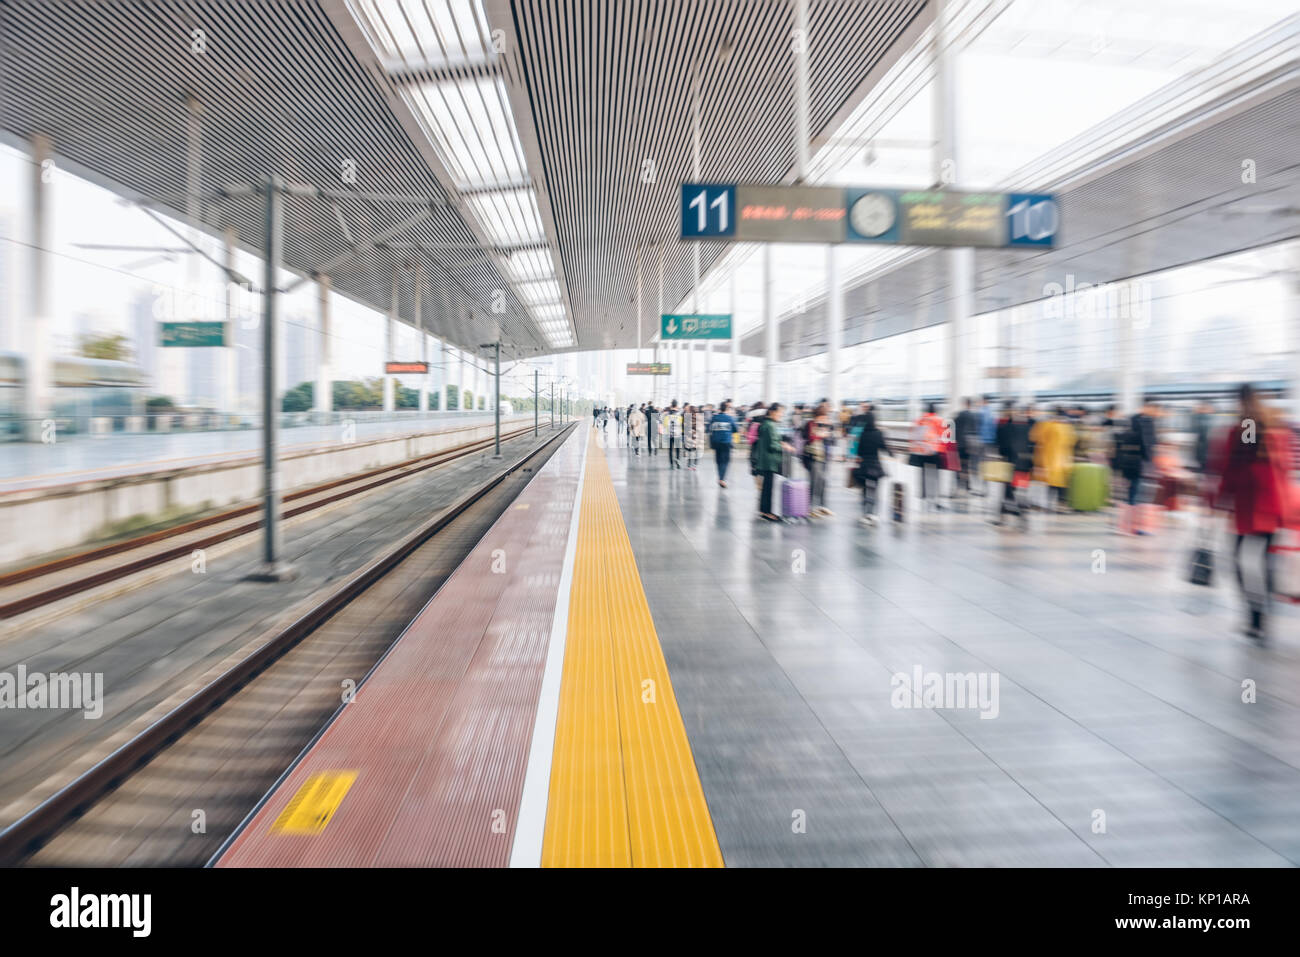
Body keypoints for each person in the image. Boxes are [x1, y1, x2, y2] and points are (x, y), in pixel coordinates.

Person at [1208, 384, 1294, 642]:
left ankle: (1255, 616)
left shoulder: (1245, 428)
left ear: (1239, 401)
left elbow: (1235, 468)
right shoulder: (1276, 428)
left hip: (1252, 504)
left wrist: (1220, 501)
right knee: (1264, 560)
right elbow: (1285, 469)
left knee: (1237, 559)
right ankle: (1262, 615)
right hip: (1273, 504)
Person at [1031, 405, 1077, 511]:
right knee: (1061, 482)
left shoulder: (1046, 425)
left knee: (1048, 482)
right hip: (1063, 459)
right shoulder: (1068, 427)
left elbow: (1035, 438)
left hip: (1048, 458)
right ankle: (1060, 503)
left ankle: (1046, 503)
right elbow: (1073, 441)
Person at [852, 410, 892, 527]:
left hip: (864, 465)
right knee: (875, 490)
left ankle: (865, 512)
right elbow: (884, 447)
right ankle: (873, 513)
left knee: (864, 489)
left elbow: (858, 451)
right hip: (875, 465)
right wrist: (891, 454)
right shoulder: (878, 433)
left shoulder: (862, 434)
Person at [754, 403, 793, 522]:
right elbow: (772, 445)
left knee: (766, 487)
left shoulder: (766, 424)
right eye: (779, 412)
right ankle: (767, 512)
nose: (781, 415)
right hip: (770, 460)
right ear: (772, 412)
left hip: (766, 460)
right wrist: (785, 447)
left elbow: (770, 441)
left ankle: (764, 510)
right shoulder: (770, 426)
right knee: (768, 487)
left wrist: (781, 443)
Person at [909, 402, 946, 511]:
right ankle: (934, 496)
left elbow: (913, 435)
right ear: (935, 410)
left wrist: (915, 448)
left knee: (923, 473)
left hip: (921, 451)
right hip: (935, 451)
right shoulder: (940, 420)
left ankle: (923, 494)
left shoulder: (919, 420)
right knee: (935, 475)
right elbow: (944, 437)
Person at [802, 406, 834, 517]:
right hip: (813, 457)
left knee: (823, 482)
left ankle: (821, 506)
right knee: (814, 482)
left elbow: (830, 438)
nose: (825, 418)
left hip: (823, 457)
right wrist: (821, 434)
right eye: (823, 416)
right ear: (818, 415)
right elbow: (810, 438)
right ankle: (810, 507)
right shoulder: (810, 424)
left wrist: (826, 428)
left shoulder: (825, 424)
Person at [954, 397, 981, 495]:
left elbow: (953, 429)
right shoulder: (974, 416)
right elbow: (976, 431)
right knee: (967, 465)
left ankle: (959, 483)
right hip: (969, 445)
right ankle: (967, 484)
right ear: (970, 405)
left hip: (959, 444)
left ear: (964, 404)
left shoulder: (958, 416)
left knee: (958, 465)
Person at [709, 400, 739, 487]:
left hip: (716, 442)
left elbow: (709, 429)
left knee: (718, 460)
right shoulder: (730, 418)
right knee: (725, 461)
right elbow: (735, 429)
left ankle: (720, 477)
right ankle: (721, 479)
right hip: (726, 442)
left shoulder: (714, 418)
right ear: (726, 409)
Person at [664, 401, 683, 468]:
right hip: (677, 434)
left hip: (669, 434)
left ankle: (671, 464)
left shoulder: (667, 415)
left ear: (671, 405)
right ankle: (677, 461)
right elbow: (681, 424)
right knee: (678, 449)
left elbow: (665, 424)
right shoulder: (679, 414)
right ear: (676, 405)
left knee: (670, 450)